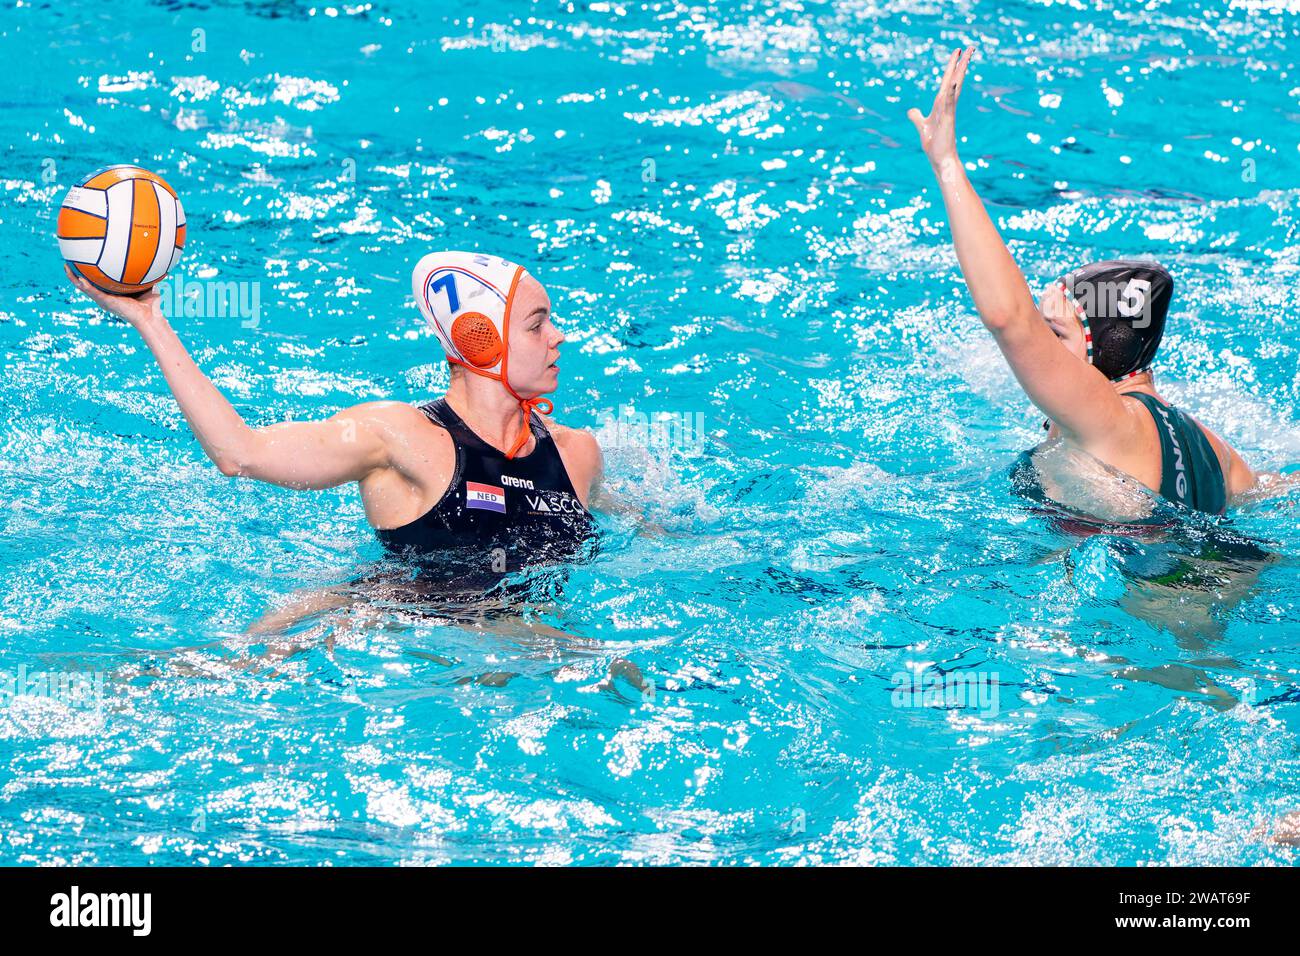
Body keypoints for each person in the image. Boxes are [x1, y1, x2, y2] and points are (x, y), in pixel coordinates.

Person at [908, 47, 1297, 524]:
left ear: (1101, 350)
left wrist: (946, 163)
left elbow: (1009, 319)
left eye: (1055, 333)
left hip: (1163, 596)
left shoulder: (1111, 420)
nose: (1043, 350)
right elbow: (1275, 490)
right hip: (1224, 580)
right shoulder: (1215, 449)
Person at [66, 250, 604, 583]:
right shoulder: (399, 438)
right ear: (478, 340)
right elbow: (239, 454)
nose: (558, 337)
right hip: (397, 628)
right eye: (537, 325)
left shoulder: (578, 455)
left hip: (517, 657)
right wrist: (149, 319)